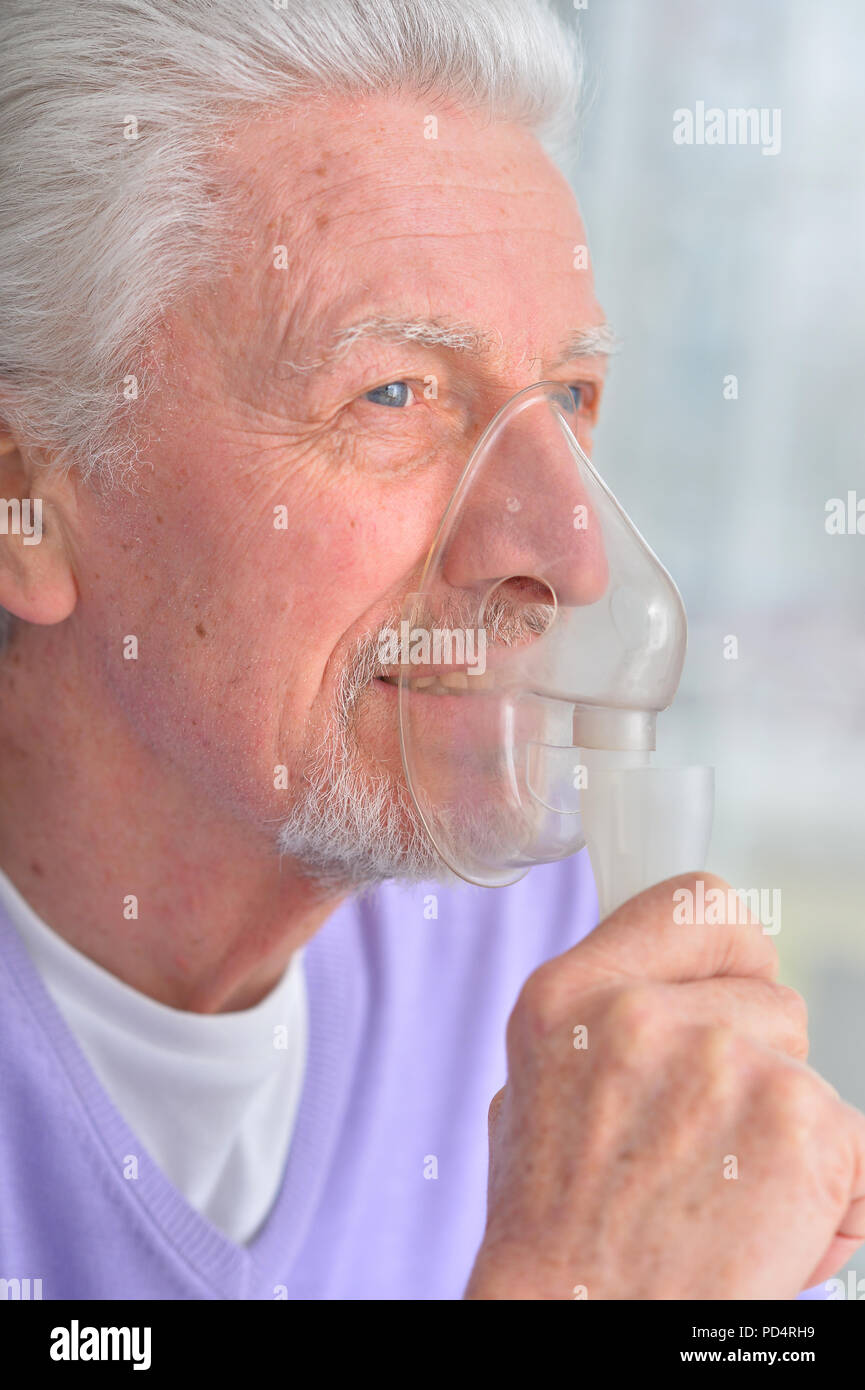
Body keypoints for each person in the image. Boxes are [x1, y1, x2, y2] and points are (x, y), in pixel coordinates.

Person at [0, 0, 860, 1301]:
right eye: (393, 394)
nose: (571, 551)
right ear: (29, 502)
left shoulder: (530, 941)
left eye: (568, 399)